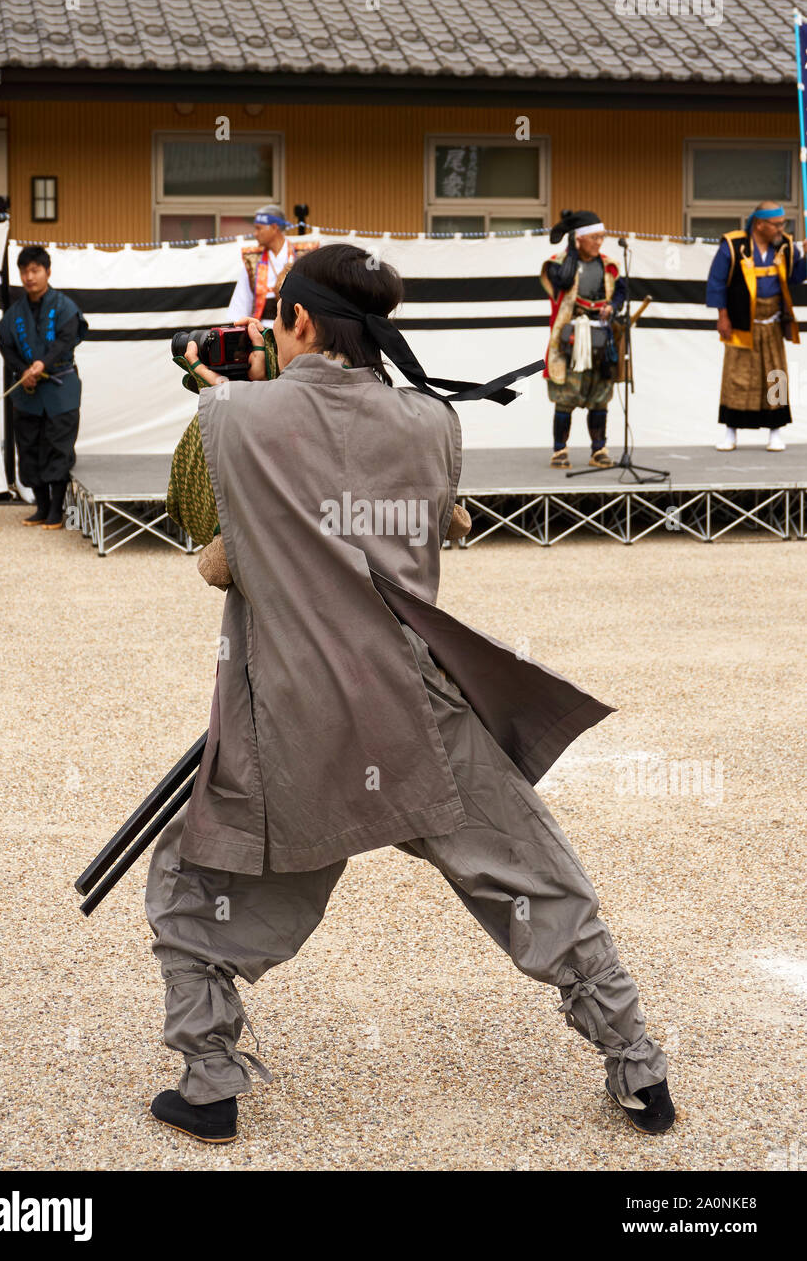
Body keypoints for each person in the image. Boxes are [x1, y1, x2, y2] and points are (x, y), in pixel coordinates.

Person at [145, 244, 674, 1145]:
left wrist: (230, 424)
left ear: (298, 320)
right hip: (416, 708)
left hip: (293, 715)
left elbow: (208, 541)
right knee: (536, 878)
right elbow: (438, 520)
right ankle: (638, 1066)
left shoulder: (227, 416)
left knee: (192, 888)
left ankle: (208, 1085)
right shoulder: (433, 422)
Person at [0, 245, 87, 529]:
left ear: (47, 272)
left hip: (60, 386)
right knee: (29, 445)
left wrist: (42, 363)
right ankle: (41, 507)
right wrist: (23, 370)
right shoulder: (15, 312)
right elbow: (5, 344)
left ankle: (57, 510)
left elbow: (66, 339)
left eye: (35, 270)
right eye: (24, 271)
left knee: (57, 446)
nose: (29, 277)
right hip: (28, 389)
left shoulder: (64, 306)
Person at [705, 202, 806, 452]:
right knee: (737, 376)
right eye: (777, 224)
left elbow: (795, 277)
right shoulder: (733, 245)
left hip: (772, 322)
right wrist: (722, 316)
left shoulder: (784, 246)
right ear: (760, 224)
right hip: (741, 322)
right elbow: (717, 281)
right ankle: (731, 432)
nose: (781, 229)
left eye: (783, 223)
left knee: (776, 376)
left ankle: (776, 432)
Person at [540, 210, 626, 469]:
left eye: (602, 237)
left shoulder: (610, 266)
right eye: (594, 237)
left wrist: (612, 307)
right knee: (565, 395)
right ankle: (559, 450)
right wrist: (571, 250)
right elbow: (564, 282)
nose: (599, 242)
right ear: (579, 238)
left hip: (601, 335)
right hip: (570, 337)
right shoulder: (557, 264)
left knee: (600, 395)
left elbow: (621, 293)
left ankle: (599, 450)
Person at [227, 206, 317, 325]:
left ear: (274, 228)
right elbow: (240, 304)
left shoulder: (303, 256)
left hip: (296, 326)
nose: (255, 234)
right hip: (262, 328)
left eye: (259, 228)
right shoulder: (252, 260)